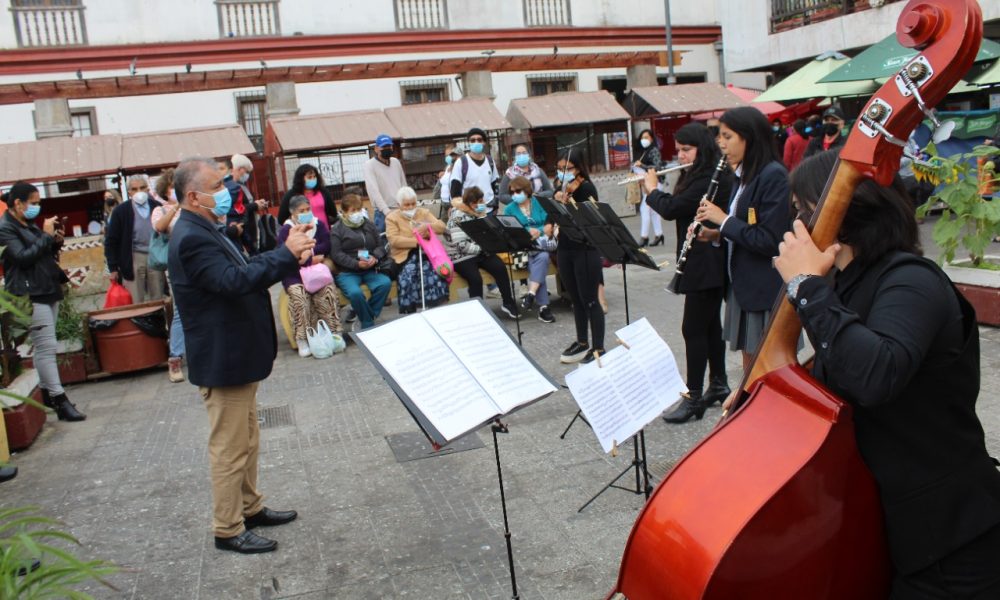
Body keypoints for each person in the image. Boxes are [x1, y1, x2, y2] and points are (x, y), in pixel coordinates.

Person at [770, 149, 1000, 599]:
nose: (796, 227)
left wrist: (805, 286)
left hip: (952, 538)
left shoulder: (910, 280)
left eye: (803, 211)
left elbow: (875, 374)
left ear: (845, 209)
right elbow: (837, 372)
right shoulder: (849, 283)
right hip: (897, 527)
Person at [169, 157, 314, 554]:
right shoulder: (190, 236)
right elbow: (232, 282)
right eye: (217, 184)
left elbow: (245, 265)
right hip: (223, 358)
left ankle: (250, 507)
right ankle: (228, 528)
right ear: (194, 195)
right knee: (230, 449)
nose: (226, 189)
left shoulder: (207, 227)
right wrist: (285, 254)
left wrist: (285, 251)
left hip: (238, 355)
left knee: (248, 440)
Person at [643, 123, 732, 423]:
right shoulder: (697, 174)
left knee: (692, 329)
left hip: (706, 261)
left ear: (701, 148)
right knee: (709, 327)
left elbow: (673, 208)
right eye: (678, 149)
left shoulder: (708, 177)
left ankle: (693, 397)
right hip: (702, 260)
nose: (680, 155)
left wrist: (653, 190)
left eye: (686, 149)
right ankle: (718, 382)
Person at [695, 106, 791, 368]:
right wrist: (716, 234)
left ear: (749, 137)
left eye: (727, 136)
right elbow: (742, 228)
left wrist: (722, 220)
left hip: (762, 286)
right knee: (749, 363)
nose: (720, 143)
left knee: (767, 365)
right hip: (742, 284)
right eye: (720, 136)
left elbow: (769, 239)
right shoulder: (741, 176)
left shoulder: (773, 176)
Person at [0, 182, 85, 421]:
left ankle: (48, 393)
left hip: (46, 288)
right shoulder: (5, 228)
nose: (37, 207)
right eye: (34, 203)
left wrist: (54, 238)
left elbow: (42, 253)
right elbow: (22, 258)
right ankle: (60, 399)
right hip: (29, 293)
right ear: (18, 203)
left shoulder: (26, 224)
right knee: (47, 347)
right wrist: (46, 236)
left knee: (44, 346)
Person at [554, 148, 605, 364]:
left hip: (585, 249)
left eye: (569, 168)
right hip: (565, 247)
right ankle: (582, 341)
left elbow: (590, 219)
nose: (563, 173)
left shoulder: (586, 188)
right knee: (575, 298)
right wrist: (556, 200)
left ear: (579, 168)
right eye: (559, 169)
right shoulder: (561, 188)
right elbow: (553, 213)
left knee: (590, 299)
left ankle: (599, 347)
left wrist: (569, 204)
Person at [278, 196, 342, 356]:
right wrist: (308, 259)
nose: (306, 213)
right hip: (294, 273)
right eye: (302, 211)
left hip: (316, 272)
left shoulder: (317, 224)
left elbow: (326, 244)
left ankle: (334, 334)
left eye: (308, 209)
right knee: (299, 297)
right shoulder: (287, 230)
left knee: (328, 292)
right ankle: (303, 339)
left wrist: (308, 253)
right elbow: (284, 253)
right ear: (293, 213)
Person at [444, 186, 518, 318]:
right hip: (461, 255)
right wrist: (483, 248)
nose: (483, 204)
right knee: (475, 279)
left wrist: (484, 219)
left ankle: (508, 303)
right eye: (480, 201)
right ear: (472, 203)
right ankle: (477, 311)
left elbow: (488, 235)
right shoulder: (458, 216)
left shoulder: (478, 213)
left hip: (480, 251)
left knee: (500, 267)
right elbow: (461, 245)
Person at [329, 194, 392, 331]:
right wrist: (355, 264)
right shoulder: (337, 229)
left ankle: (364, 317)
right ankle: (367, 323)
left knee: (385, 283)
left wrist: (375, 257)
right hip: (347, 272)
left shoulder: (368, 224)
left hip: (369, 268)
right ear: (344, 212)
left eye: (359, 209)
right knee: (355, 293)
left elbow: (380, 245)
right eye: (353, 210)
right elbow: (336, 254)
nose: (357, 213)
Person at [386, 186, 450, 314]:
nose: (410, 207)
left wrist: (428, 226)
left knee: (435, 274)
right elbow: (394, 240)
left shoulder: (423, 212)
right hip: (405, 255)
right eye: (406, 205)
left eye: (413, 203)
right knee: (408, 277)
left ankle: (434, 309)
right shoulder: (392, 217)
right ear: (399, 205)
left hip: (427, 253)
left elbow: (442, 227)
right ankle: (411, 311)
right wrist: (417, 242)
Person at [503, 176, 556, 324]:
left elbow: (548, 226)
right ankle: (543, 307)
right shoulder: (509, 208)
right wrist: (527, 231)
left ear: (526, 190)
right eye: (512, 192)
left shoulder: (539, 202)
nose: (515, 195)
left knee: (541, 256)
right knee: (542, 257)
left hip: (541, 243)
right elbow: (510, 231)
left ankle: (532, 294)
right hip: (521, 246)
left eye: (518, 191)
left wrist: (538, 230)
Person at [105, 174, 165, 303]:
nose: (139, 192)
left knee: (158, 296)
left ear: (148, 189)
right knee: (135, 298)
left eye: (142, 188)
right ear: (129, 192)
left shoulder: (157, 206)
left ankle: (158, 322)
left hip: (155, 254)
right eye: (135, 189)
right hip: (133, 256)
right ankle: (138, 323)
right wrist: (113, 268)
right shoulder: (121, 211)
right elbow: (111, 241)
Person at [151, 168, 186, 383]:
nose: (175, 190)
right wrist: (175, 209)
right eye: (172, 187)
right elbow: (160, 228)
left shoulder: (194, 207)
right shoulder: (160, 211)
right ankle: (175, 359)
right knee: (181, 312)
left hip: (198, 262)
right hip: (176, 266)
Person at [224, 154, 269, 256]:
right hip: (240, 233)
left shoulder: (240, 186)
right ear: (240, 169)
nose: (247, 175)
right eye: (247, 172)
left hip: (247, 231)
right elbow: (236, 210)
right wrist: (254, 206)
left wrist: (256, 204)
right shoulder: (232, 188)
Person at [363, 134, 407, 233]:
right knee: (384, 243)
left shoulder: (395, 162)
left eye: (389, 146)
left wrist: (406, 205)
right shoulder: (369, 165)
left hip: (400, 209)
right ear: (376, 148)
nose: (387, 149)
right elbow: (374, 191)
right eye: (384, 147)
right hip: (382, 213)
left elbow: (404, 186)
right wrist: (387, 211)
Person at [278, 164, 338, 229]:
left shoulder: (323, 191)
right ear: (301, 179)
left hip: (324, 232)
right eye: (309, 177)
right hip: (302, 234)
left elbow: (333, 212)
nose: (313, 179)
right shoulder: (291, 195)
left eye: (314, 176)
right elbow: (281, 219)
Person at [633, 129, 664, 247]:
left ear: (652, 138)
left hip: (655, 182)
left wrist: (643, 166)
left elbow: (658, 167)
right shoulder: (644, 151)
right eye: (642, 137)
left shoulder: (654, 150)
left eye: (646, 137)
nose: (644, 140)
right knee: (654, 211)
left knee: (644, 209)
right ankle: (659, 235)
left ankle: (644, 237)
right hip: (647, 183)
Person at [432, 146, 461, 216]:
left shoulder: (459, 167)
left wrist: (453, 206)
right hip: (444, 204)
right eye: (446, 155)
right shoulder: (448, 166)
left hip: (453, 204)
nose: (448, 157)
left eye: (450, 155)